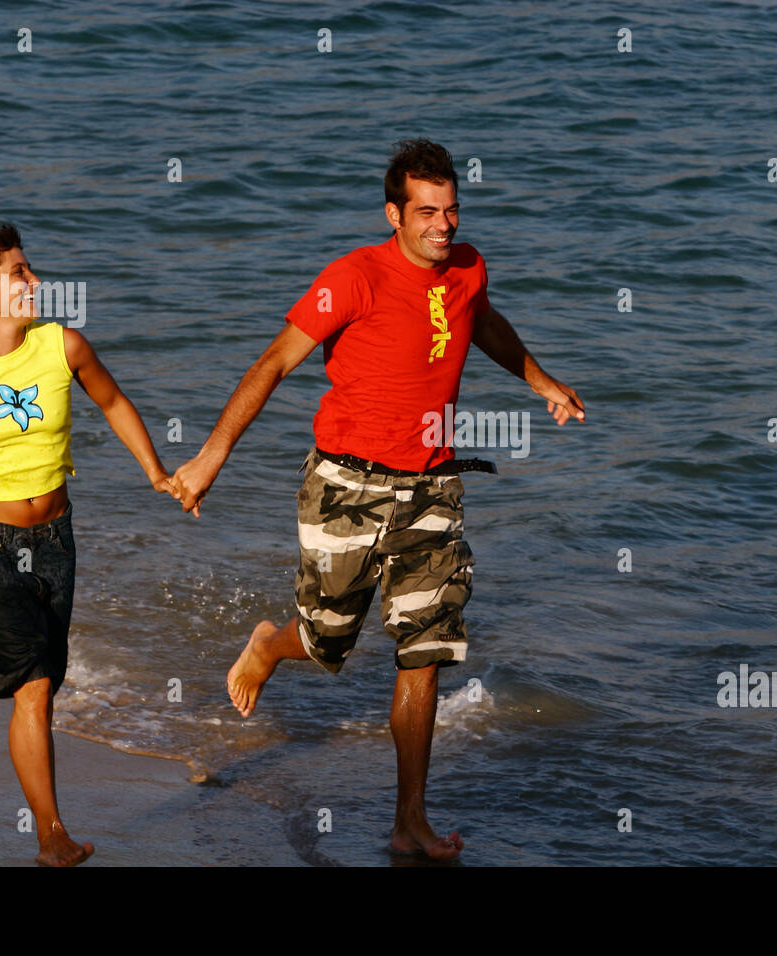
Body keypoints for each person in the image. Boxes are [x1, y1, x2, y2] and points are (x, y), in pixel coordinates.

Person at [170, 139, 585, 859]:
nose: (444, 224)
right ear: (394, 213)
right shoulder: (353, 277)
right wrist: (210, 458)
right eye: (427, 211)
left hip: (433, 485)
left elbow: (480, 321)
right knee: (328, 639)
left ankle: (409, 822)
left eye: (452, 209)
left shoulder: (468, 267)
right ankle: (271, 644)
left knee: (425, 650)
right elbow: (273, 361)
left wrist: (540, 381)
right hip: (345, 484)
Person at [0, 221, 175, 866]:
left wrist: (157, 472)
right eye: (20, 273)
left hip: (55, 538)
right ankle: (51, 835)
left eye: (31, 270)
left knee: (47, 678)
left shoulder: (64, 347)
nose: (35, 282)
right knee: (31, 686)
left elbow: (113, 402)